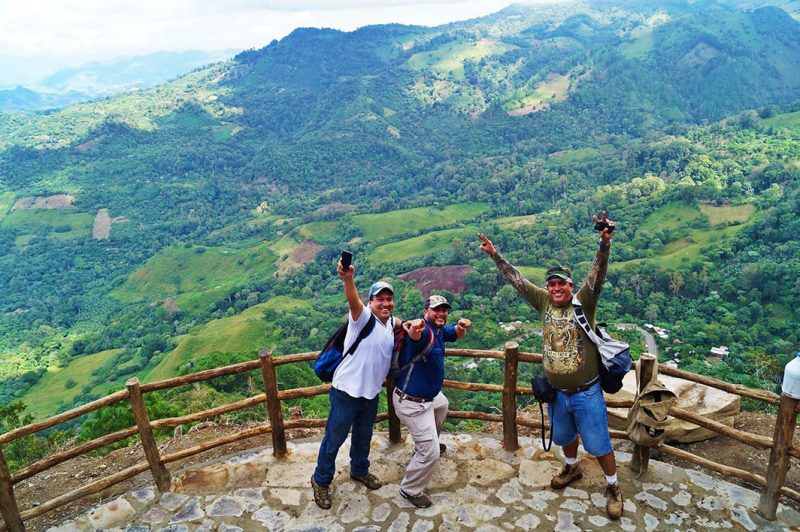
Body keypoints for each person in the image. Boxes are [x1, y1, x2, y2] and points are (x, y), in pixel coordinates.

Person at [477, 211, 624, 520]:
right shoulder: (542, 300)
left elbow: (597, 276)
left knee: (599, 444)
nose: (556, 288)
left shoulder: (585, 300)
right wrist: (495, 256)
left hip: (586, 392)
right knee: (565, 438)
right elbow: (517, 280)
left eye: (562, 283)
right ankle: (571, 470)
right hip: (558, 393)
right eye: (552, 283)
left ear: (571, 285)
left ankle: (613, 486)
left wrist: (604, 244)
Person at [311, 259, 400, 510]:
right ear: (370, 302)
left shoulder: (392, 323)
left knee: (363, 436)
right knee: (334, 438)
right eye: (379, 299)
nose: (385, 303)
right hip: (345, 392)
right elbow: (352, 300)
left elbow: (411, 328)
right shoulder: (362, 318)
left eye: (389, 299)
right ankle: (321, 480)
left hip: (370, 393)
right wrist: (348, 278)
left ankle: (359, 470)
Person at [392, 294, 471, 508]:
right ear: (426, 312)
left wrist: (461, 327)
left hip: (429, 398)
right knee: (431, 453)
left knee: (442, 404)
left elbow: (455, 333)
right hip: (412, 402)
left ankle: (427, 442)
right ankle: (410, 488)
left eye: (444, 310)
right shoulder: (424, 331)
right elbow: (414, 334)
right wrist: (414, 327)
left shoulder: (438, 330)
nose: (442, 313)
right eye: (437, 309)